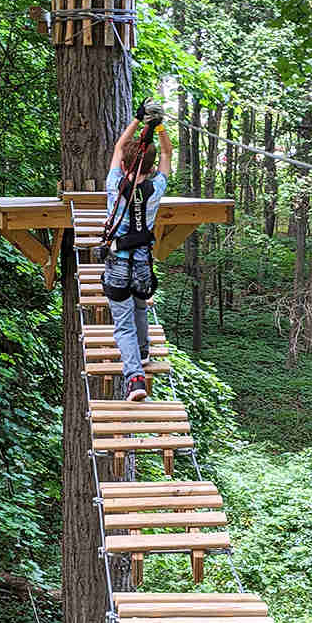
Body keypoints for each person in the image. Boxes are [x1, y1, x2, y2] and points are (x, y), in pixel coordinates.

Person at [101, 99, 172, 402]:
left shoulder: (114, 184)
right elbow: (167, 152)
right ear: (152, 167)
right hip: (143, 266)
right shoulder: (156, 188)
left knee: (123, 326)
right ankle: (143, 353)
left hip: (118, 264)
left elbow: (120, 147)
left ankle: (135, 379)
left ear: (124, 165)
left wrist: (138, 120)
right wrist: (158, 126)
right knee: (140, 305)